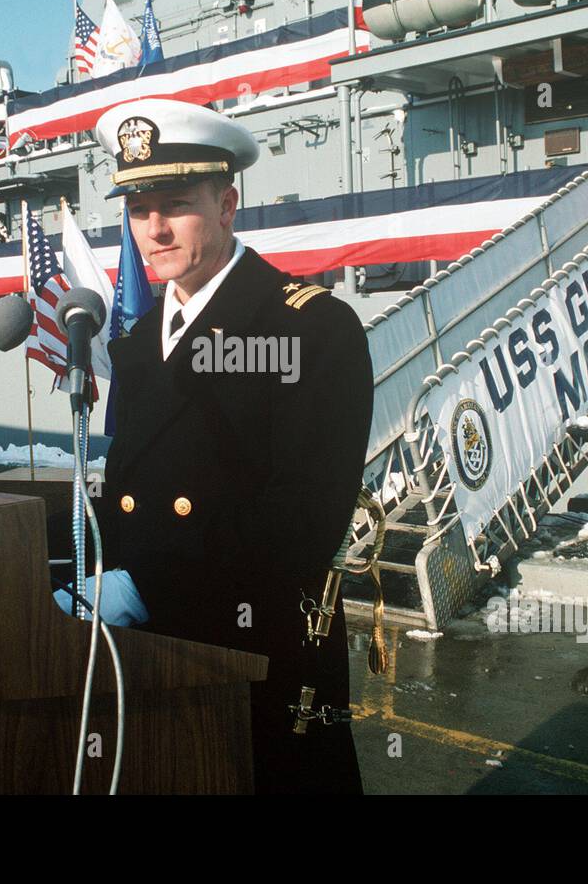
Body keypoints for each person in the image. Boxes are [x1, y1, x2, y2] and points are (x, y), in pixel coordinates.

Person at [77, 98, 373, 794]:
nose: (153, 228)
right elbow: (134, 501)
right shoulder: (142, 344)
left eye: (175, 204)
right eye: (138, 207)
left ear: (227, 204)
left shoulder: (308, 330)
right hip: (155, 666)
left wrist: (145, 586)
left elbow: (300, 524)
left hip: (257, 668)